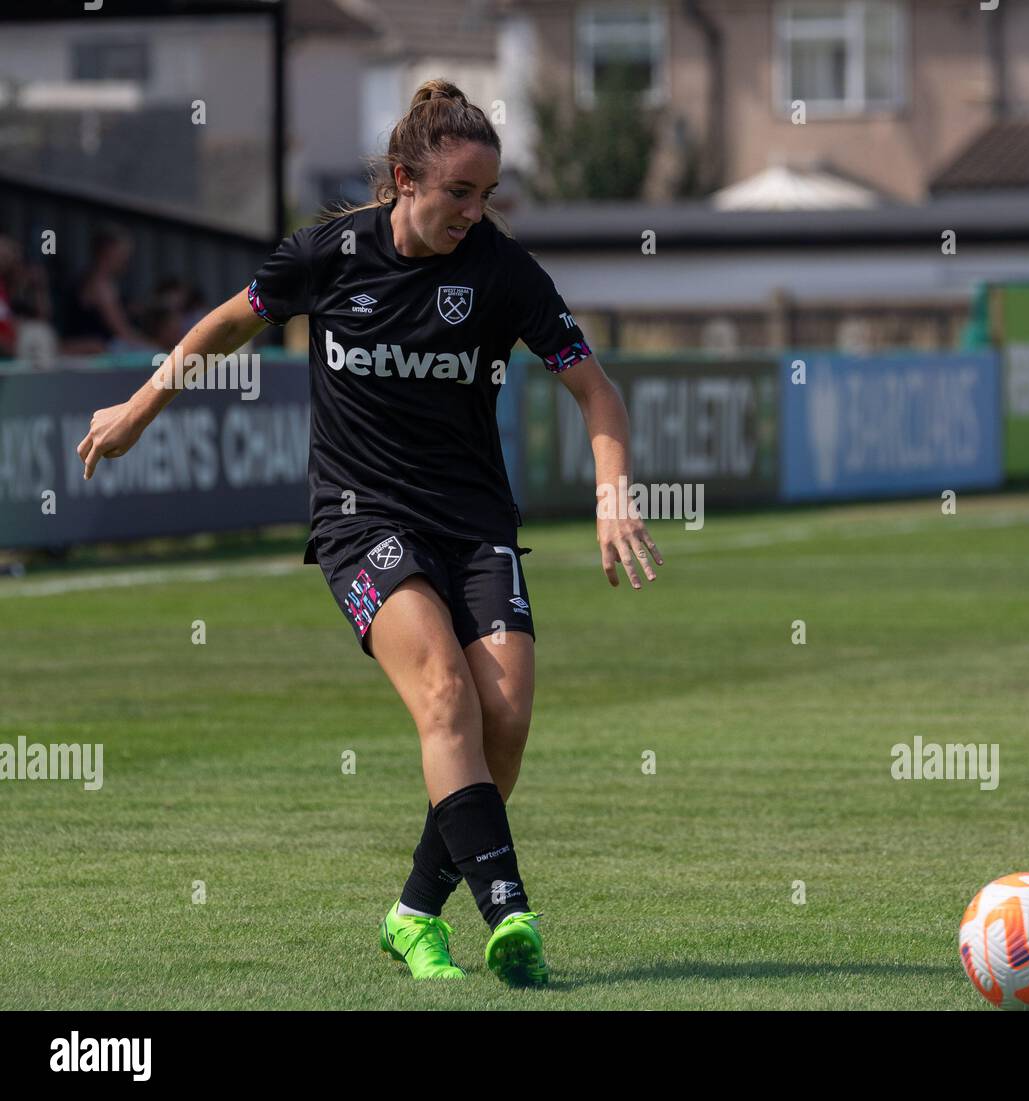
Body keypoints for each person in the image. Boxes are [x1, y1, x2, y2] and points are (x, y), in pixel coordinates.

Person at [76, 80, 662, 987]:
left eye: (488, 195)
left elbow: (596, 389)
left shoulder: (504, 274)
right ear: (404, 179)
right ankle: (511, 914)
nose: (475, 212)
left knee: (502, 720)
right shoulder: (328, 253)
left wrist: (613, 488)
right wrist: (143, 406)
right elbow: (228, 322)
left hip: (473, 520)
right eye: (459, 193)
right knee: (443, 695)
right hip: (360, 518)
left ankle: (414, 912)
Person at [61, 225, 152, 354]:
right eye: (123, 254)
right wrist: (159, 350)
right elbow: (123, 333)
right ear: (107, 251)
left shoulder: (91, 280)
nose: (126, 261)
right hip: (90, 355)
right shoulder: (100, 286)